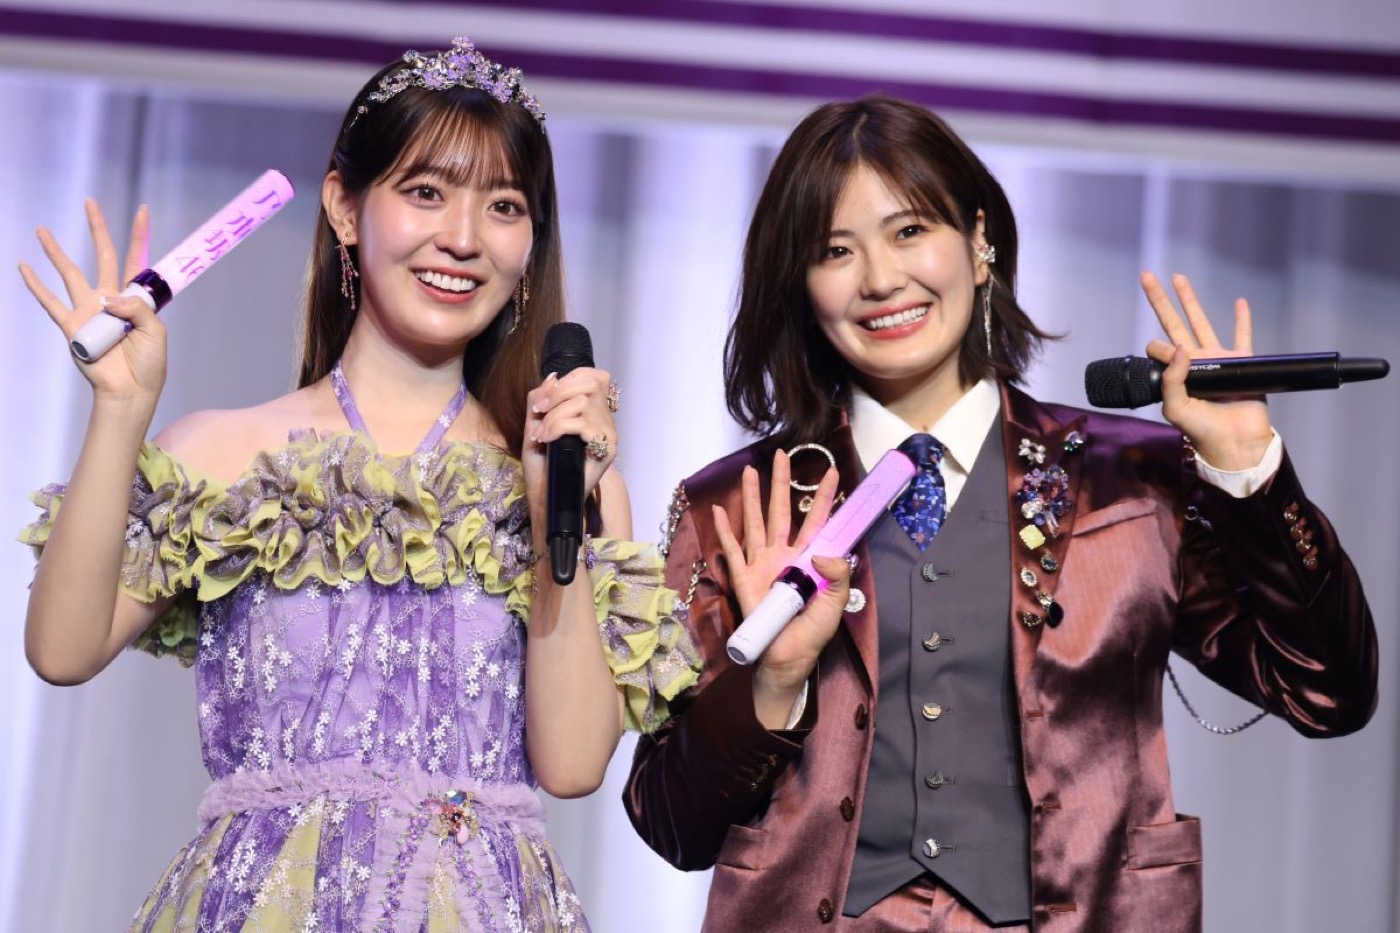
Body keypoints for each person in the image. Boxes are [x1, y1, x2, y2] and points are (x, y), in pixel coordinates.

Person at [623, 95, 1378, 932]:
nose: (880, 279)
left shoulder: (1132, 482)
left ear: (979, 241)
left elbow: (1329, 692)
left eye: (910, 231)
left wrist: (1251, 474)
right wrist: (773, 683)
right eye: (835, 250)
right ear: (800, 284)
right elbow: (670, 823)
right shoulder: (736, 506)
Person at [18, 37, 699, 931]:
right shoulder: (228, 452)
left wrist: (547, 516)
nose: (463, 238)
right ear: (345, 206)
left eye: (503, 205)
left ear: (532, 240)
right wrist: (120, 409)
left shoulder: (573, 478)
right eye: (426, 192)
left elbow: (572, 765)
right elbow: (61, 650)